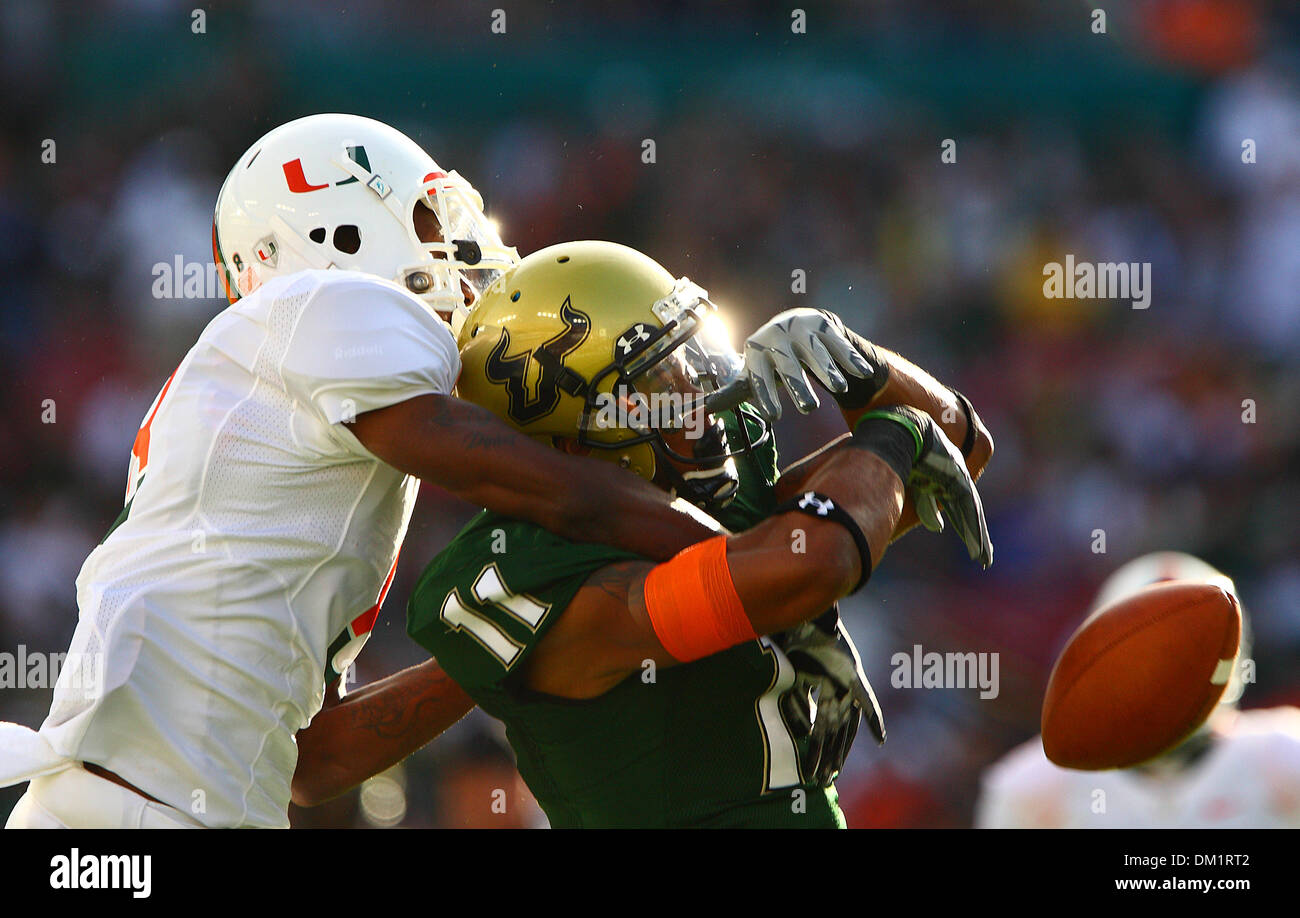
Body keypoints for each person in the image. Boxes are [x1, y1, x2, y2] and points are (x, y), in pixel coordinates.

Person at [0, 115, 722, 829]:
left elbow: (314, 763)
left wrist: (494, 648)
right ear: (336, 230)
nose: (451, 245)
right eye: (425, 217)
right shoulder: (330, 301)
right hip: (135, 817)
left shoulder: (303, 415)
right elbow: (523, 483)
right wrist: (725, 540)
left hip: (133, 811)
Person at [404, 239, 995, 827]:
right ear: (574, 440)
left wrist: (861, 368)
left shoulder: (695, 484)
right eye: (659, 383)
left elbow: (961, 452)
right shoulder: (532, 568)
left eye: (688, 356)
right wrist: (896, 434)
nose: (697, 395)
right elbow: (817, 561)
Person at [975, 552, 1300, 829]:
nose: (1166, 679)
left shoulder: (1283, 761)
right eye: (1152, 659)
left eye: (1182, 657)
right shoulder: (1036, 790)